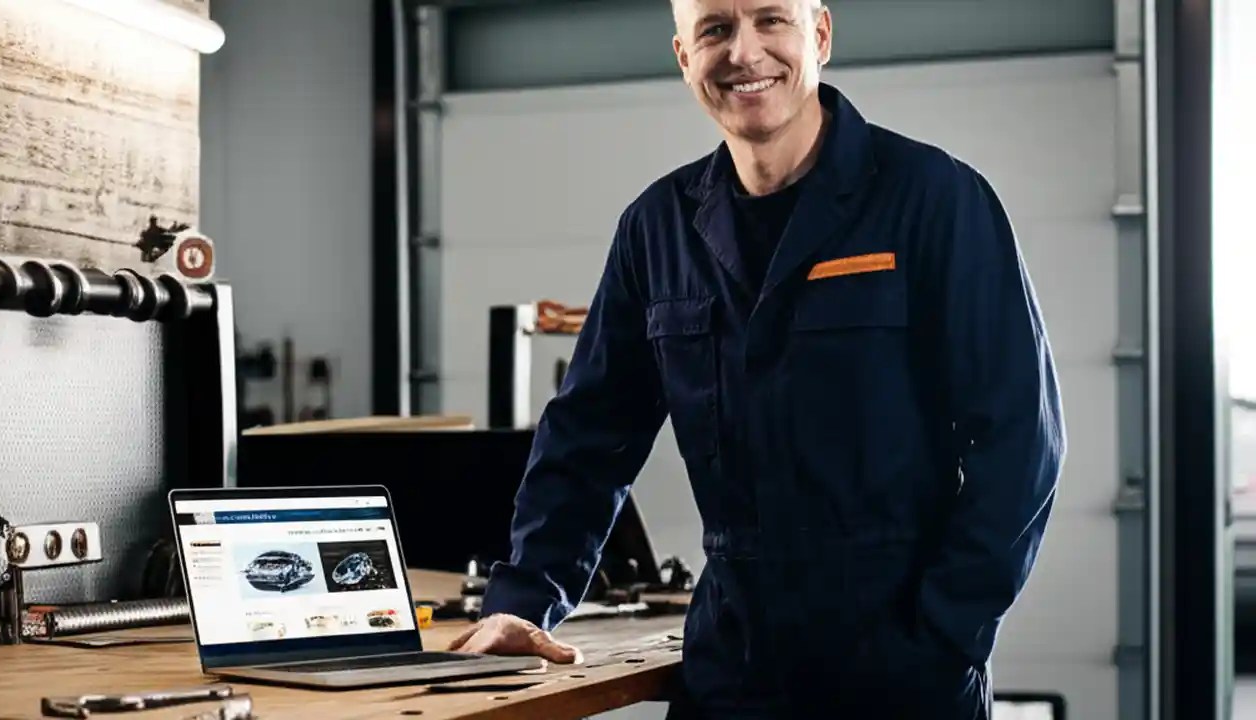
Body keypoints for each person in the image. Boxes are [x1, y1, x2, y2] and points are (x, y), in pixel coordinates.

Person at [449, 0, 1066, 716]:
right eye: (714, 29)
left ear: (821, 34)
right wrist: (524, 600)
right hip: (733, 666)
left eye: (771, 19)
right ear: (684, 56)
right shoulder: (659, 227)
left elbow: (1021, 437)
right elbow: (589, 435)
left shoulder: (932, 199)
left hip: (902, 670)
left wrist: (947, 630)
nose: (744, 52)